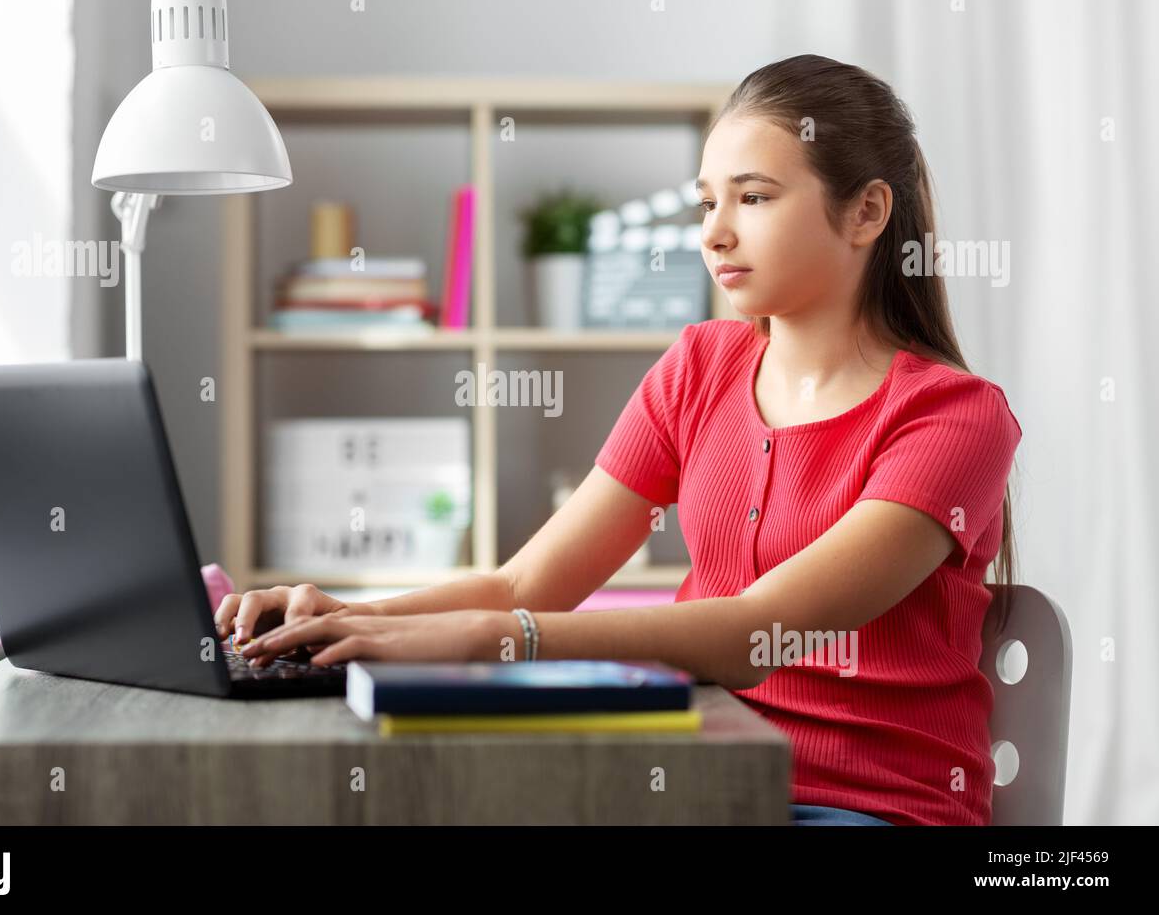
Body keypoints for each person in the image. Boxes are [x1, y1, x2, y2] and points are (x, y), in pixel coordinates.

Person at [214, 54, 1022, 827]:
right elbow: (525, 582)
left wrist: (495, 642)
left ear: (868, 213)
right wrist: (343, 620)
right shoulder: (698, 367)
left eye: (755, 198)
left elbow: (754, 634)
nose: (716, 233)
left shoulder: (954, 420)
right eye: (707, 203)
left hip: (860, 806)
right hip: (692, 780)